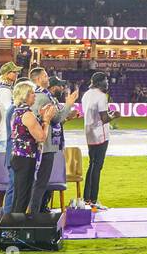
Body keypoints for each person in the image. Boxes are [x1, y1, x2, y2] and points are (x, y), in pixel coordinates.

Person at [29, 68, 78, 214]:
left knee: (41, 183)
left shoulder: (44, 96)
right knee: (41, 183)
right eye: (44, 76)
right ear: (37, 79)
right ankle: (34, 215)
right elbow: (55, 119)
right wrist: (69, 103)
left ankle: (39, 211)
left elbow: (55, 120)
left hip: (47, 143)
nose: (47, 78)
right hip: (46, 145)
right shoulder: (43, 97)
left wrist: (67, 116)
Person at [9, 81, 54, 216]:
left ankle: (12, 227)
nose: (35, 96)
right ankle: (16, 228)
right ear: (25, 96)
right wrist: (46, 121)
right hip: (25, 158)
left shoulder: (17, 111)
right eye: (32, 93)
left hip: (18, 156)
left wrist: (39, 117)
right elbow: (41, 137)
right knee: (23, 197)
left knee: (18, 195)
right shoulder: (27, 114)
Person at [82, 71, 116, 211]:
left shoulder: (86, 94)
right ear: (99, 82)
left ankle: (86, 198)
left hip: (89, 133)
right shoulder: (102, 96)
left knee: (92, 165)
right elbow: (104, 118)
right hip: (100, 135)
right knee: (97, 167)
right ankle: (93, 200)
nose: (107, 83)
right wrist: (115, 116)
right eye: (106, 80)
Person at [0, 62, 20, 215]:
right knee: (8, 174)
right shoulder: (5, 91)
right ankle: (1, 209)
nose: (16, 75)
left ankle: (1, 208)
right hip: (6, 135)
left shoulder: (6, 89)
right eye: (14, 72)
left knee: (8, 174)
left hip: (4, 134)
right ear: (6, 74)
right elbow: (12, 111)